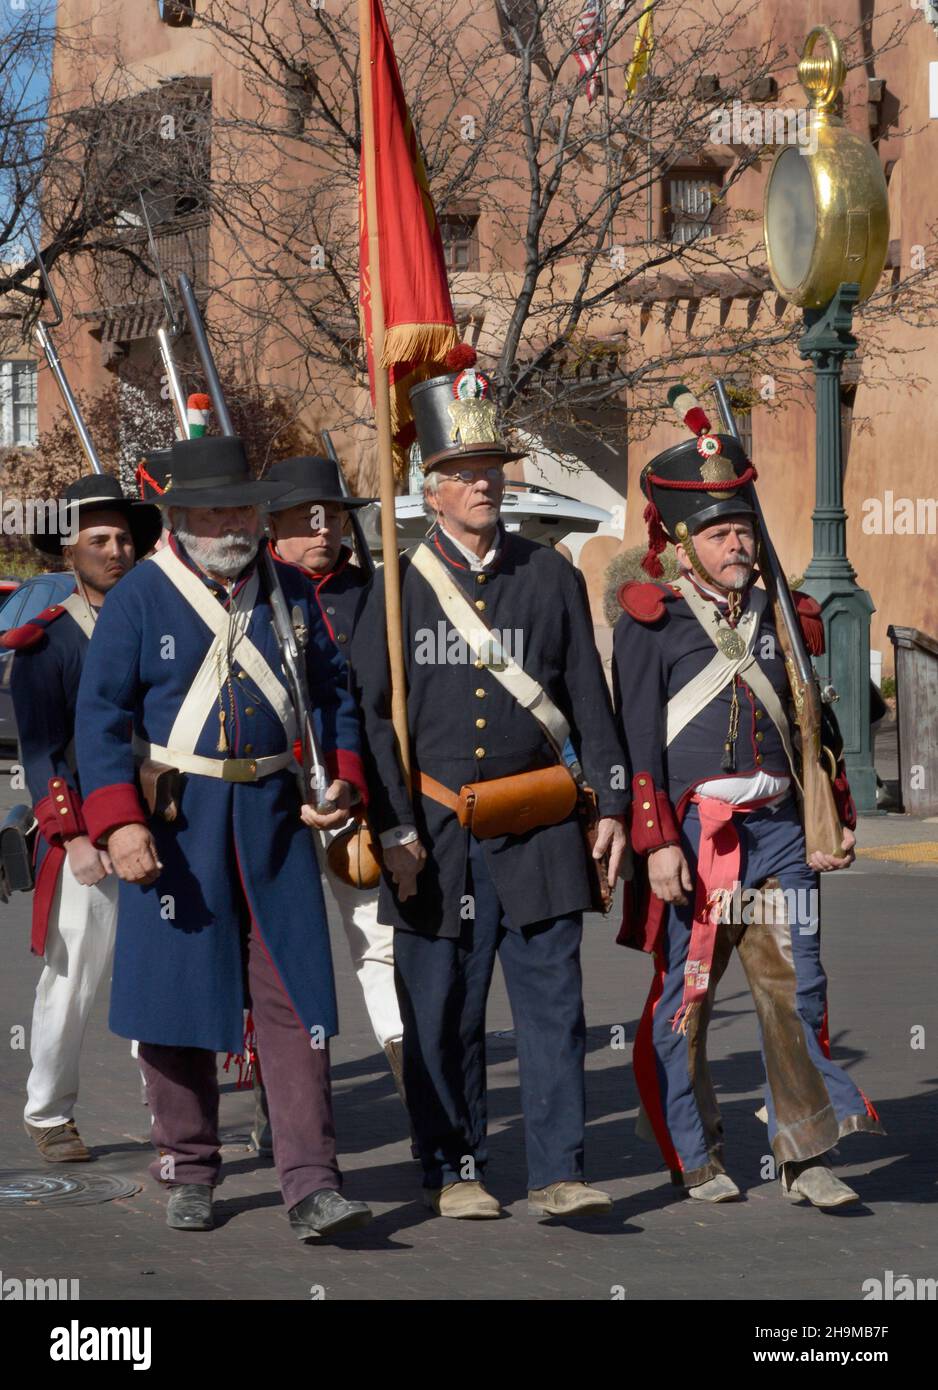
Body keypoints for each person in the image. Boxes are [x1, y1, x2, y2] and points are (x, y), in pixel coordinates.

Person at [350, 347, 629, 1220]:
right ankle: (455, 1168)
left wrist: (614, 802)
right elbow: (367, 712)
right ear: (431, 490)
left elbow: (588, 691)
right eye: (464, 474)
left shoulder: (547, 576)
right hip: (434, 836)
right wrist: (391, 826)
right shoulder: (395, 585)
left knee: (555, 1009)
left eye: (491, 472)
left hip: (541, 825)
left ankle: (559, 1170)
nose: (483, 487)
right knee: (442, 1011)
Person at [75, 435, 373, 1240]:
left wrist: (337, 776)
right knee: (174, 1006)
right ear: (179, 517)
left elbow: (331, 695)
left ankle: (312, 1182)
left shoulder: (287, 591)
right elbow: (99, 721)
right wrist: (118, 822)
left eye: (245, 507)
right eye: (218, 509)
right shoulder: (141, 596)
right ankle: (190, 1167)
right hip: (177, 823)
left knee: (298, 1004)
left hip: (274, 819)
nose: (237, 522)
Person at [611, 394, 884, 1208]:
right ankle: (694, 1154)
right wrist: (656, 841)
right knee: (687, 998)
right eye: (720, 535)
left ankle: (805, 1156)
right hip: (695, 837)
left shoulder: (788, 617)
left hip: (777, 836)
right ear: (684, 543)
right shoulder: (650, 621)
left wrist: (833, 822)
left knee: (796, 986)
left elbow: (820, 732)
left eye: (741, 531)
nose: (737, 545)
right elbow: (637, 745)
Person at [2, 475, 161, 1162]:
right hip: (86, 834)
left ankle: (173, 1111)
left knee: (163, 973)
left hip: (165, 821)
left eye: (124, 538)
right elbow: (41, 752)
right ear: (69, 551)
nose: (115, 549)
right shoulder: (49, 642)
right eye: (98, 539)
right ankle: (48, 1111)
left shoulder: (162, 625)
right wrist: (71, 836)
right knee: (73, 975)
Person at [266, 455, 408, 1096]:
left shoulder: (381, 595)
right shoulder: (254, 597)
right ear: (275, 527)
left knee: (376, 938)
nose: (324, 531)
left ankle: (410, 1073)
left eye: (332, 519)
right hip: (271, 793)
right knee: (272, 949)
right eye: (308, 519)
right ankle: (275, 1090)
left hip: (360, 792)